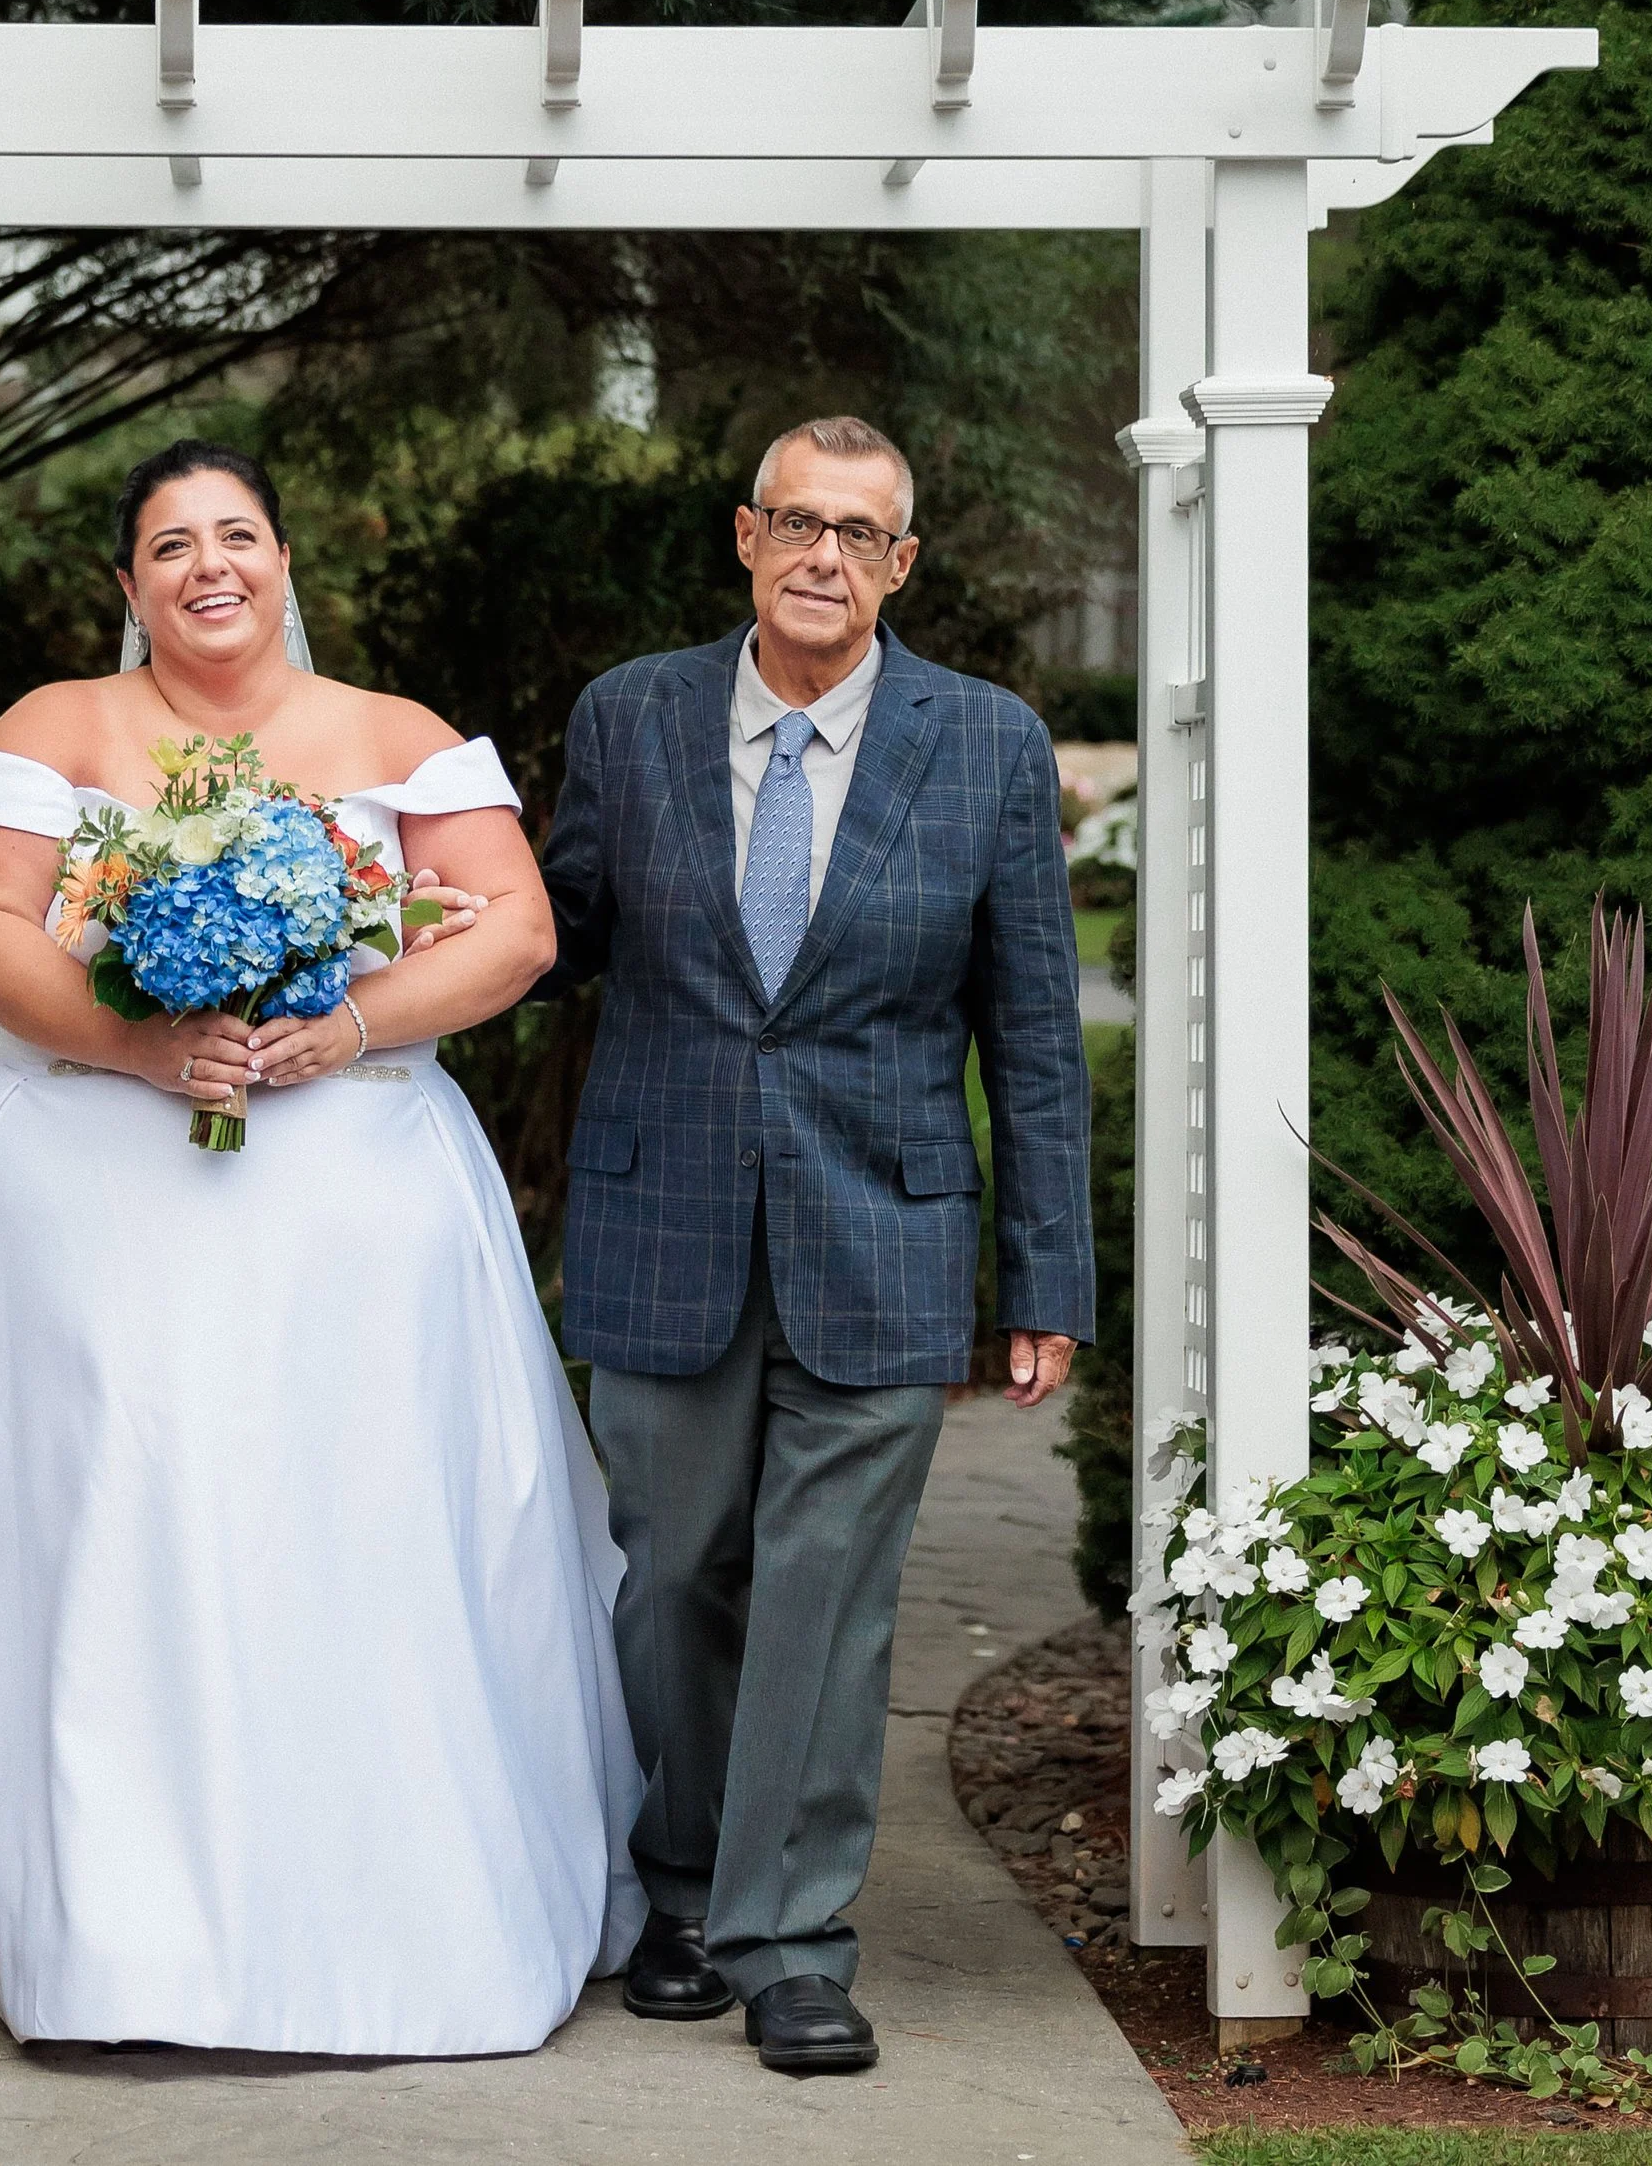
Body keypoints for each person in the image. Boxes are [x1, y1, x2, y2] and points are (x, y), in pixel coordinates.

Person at [0, 438, 645, 2053]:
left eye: (237, 535)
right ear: (129, 583)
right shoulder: (53, 730)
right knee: (120, 1520)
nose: (208, 565)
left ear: (287, 560)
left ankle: (395, 1918)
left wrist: (346, 1019)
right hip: (97, 1219)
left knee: (355, 1520)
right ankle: (103, 1929)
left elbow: (515, 926)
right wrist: (146, 1045)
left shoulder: (397, 736)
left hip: (353, 1213)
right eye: (170, 544)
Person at [537, 415, 1095, 2076]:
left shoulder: (986, 744)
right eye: (798, 522)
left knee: (828, 1600)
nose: (825, 556)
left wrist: (1048, 1282)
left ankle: (790, 1939)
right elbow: (549, 936)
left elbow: (1039, 1033)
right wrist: (357, 911)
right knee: (677, 1580)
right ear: (745, 535)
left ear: (901, 565)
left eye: (860, 532)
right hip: (663, 1217)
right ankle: (685, 1893)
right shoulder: (628, 717)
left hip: (890, 1233)